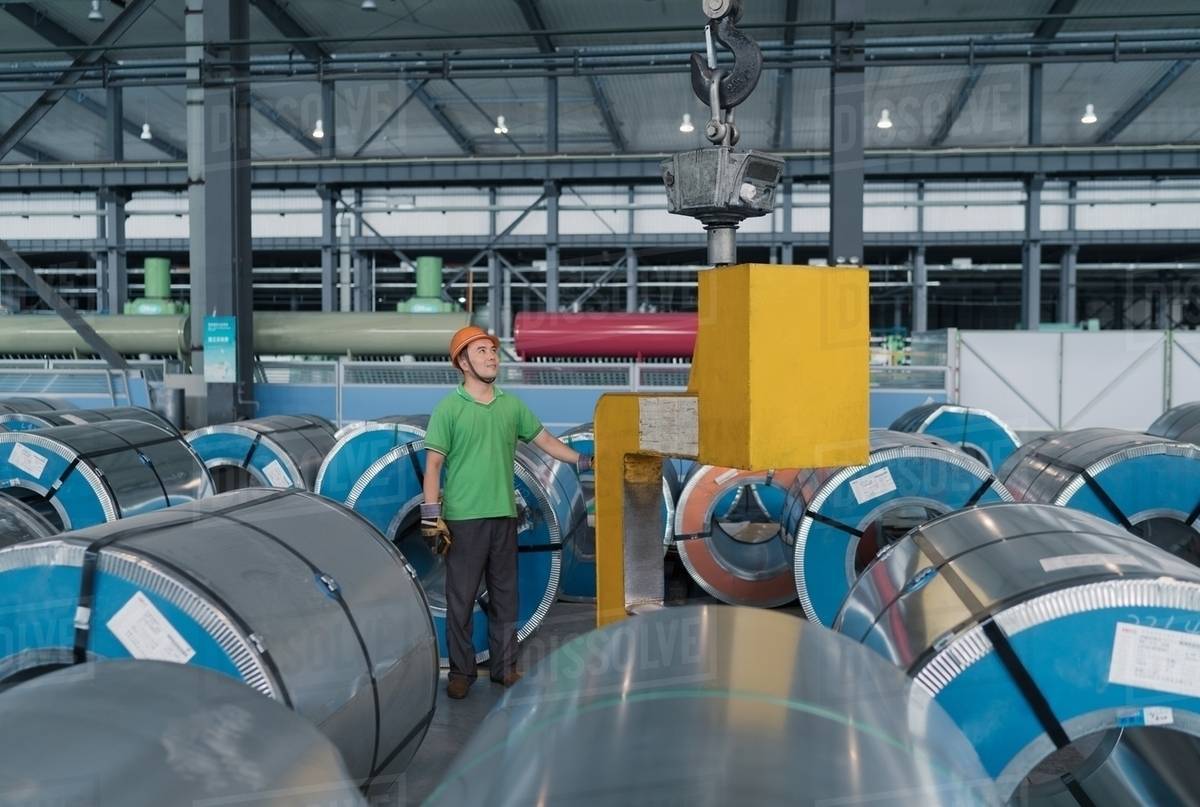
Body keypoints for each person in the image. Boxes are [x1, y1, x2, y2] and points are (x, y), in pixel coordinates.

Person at [421, 325, 592, 700]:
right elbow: (433, 465)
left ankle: (503, 669)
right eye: (481, 351)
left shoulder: (511, 406)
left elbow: (545, 441)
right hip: (464, 518)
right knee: (461, 598)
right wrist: (431, 516)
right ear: (463, 362)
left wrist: (583, 458)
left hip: (503, 514)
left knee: (505, 596)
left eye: (493, 351)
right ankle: (462, 672)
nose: (491, 356)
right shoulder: (448, 409)